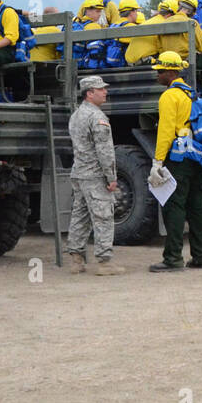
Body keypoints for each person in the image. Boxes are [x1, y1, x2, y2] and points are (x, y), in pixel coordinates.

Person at [147, 51, 202, 271]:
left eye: (159, 71)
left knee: (174, 206)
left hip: (178, 156)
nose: (157, 76)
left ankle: (173, 258)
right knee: (198, 207)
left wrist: (157, 161)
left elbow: (166, 131)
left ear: (169, 71)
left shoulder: (169, 96)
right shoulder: (191, 93)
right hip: (196, 154)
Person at [65, 75, 123, 275]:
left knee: (79, 216)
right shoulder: (97, 117)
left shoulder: (76, 115)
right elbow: (105, 151)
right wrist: (111, 177)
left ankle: (76, 260)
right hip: (95, 175)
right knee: (103, 216)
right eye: (101, 89)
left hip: (79, 173)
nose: (105, 91)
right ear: (89, 93)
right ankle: (104, 262)